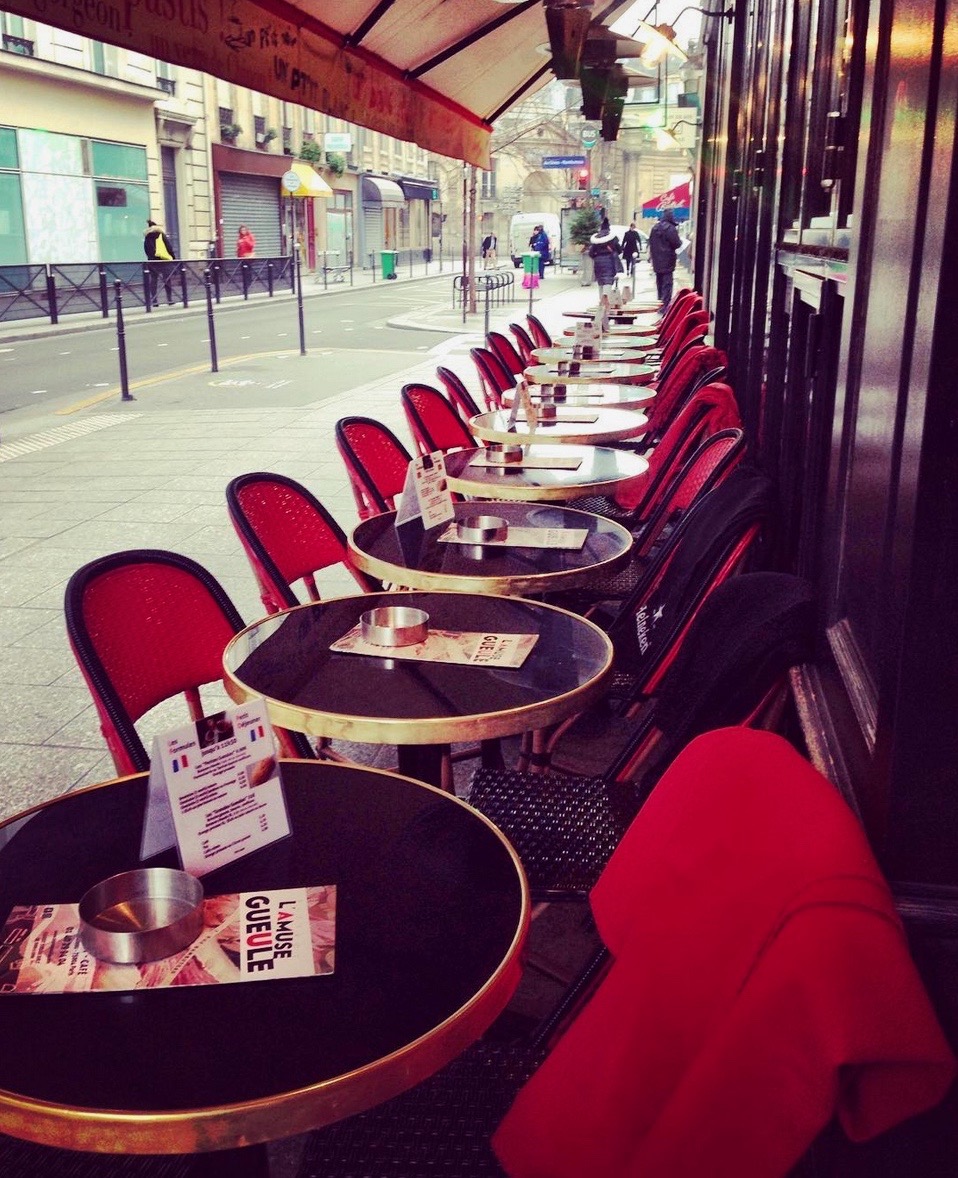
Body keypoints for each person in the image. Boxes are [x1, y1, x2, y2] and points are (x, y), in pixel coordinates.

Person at [648, 207, 683, 309]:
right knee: (667, 284)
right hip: (668, 261)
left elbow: (651, 243)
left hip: (657, 261)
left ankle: (659, 304)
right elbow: (677, 243)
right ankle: (665, 306)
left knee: (659, 283)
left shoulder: (654, 228)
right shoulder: (671, 229)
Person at [143, 219, 176, 306]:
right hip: (164, 260)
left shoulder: (147, 237)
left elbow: (146, 250)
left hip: (153, 261)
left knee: (153, 280)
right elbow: (169, 247)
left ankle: (154, 301)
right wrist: (173, 257)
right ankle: (169, 299)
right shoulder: (161, 234)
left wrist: (151, 257)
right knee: (167, 280)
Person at [588, 218, 622, 299]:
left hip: (598, 262)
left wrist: (597, 256)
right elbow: (619, 250)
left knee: (601, 281)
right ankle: (606, 301)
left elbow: (591, 253)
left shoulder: (596, 238)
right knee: (608, 281)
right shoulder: (612, 238)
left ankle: (601, 302)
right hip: (609, 261)